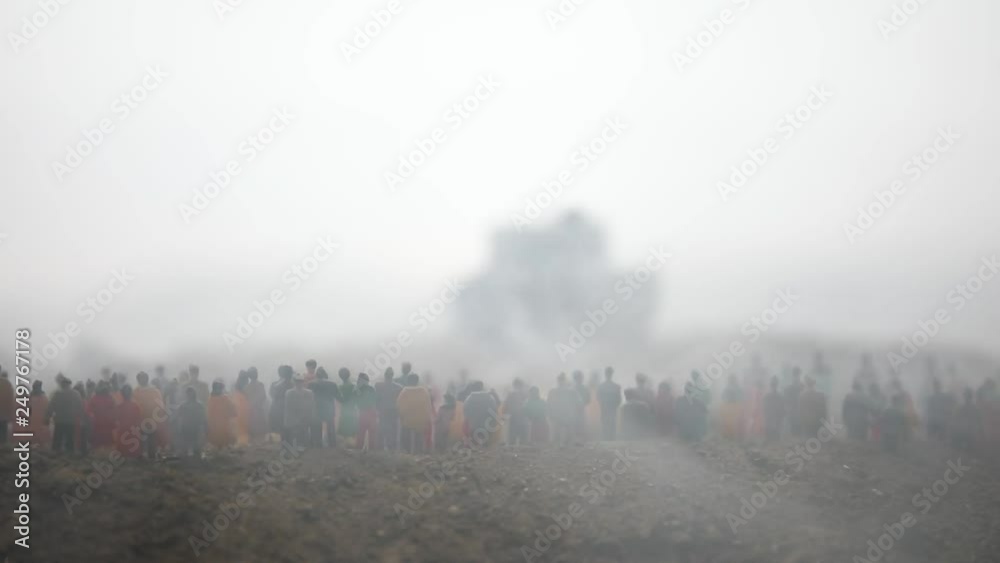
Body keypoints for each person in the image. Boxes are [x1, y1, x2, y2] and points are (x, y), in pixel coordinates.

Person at [133, 371, 167, 458]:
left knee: (151, 440)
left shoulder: (154, 391)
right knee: (140, 440)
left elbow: (160, 406)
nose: (142, 380)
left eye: (144, 378)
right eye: (140, 378)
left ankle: (151, 457)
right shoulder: (135, 392)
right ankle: (143, 457)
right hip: (141, 420)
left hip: (151, 420)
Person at [46, 375, 83, 453]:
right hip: (71, 421)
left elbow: (51, 407)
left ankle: (55, 456)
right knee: (70, 441)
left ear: (62, 385)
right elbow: (80, 407)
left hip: (59, 421)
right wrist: (80, 418)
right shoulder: (76, 394)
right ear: (69, 384)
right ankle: (70, 456)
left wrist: (47, 417)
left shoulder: (57, 394)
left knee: (57, 441)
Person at [397, 373, 433, 454]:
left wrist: (402, 418)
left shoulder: (404, 392)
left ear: (408, 381)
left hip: (407, 421)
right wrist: (426, 419)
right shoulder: (424, 391)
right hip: (420, 421)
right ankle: (418, 454)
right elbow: (428, 407)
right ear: (417, 381)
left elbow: (399, 407)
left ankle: (406, 453)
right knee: (419, 439)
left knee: (405, 437)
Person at [547, 373, 582, 446]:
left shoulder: (571, 392)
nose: (561, 382)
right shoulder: (554, 392)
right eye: (560, 380)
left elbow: (578, 403)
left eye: (562, 380)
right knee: (561, 434)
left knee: (565, 433)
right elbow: (549, 404)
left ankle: (564, 445)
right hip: (561, 416)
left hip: (565, 416)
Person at [309, 367, 340, 448]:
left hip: (317, 408)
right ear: (325, 375)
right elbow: (338, 396)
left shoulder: (311, 384)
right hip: (329, 408)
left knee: (317, 428)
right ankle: (332, 445)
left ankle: (317, 445)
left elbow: (309, 397)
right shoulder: (332, 384)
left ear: (316, 375)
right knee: (330, 428)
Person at [374, 367, 403, 451]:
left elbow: (376, 399)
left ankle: (380, 449)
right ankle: (392, 449)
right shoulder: (399, 387)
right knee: (393, 431)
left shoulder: (378, 385)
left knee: (382, 430)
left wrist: (377, 408)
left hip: (382, 410)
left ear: (385, 375)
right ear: (392, 375)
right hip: (394, 411)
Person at [464, 381, 499, 447]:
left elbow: (466, 414)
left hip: (473, 427)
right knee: (485, 448)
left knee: (473, 447)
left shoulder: (469, 399)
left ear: (473, 388)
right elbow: (494, 412)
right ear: (482, 387)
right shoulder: (490, 398)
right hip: (487, 427)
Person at [284, 374, 315, 448]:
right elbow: (288, 407)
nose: (299, 383)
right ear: (294, 382)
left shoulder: (290, 392)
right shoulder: (290, 392)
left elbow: (311, 405)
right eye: (298, 381)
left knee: (302, 434)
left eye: (300, 381)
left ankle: (302, 449)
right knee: (297, 434)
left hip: (302, 417)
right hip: (296, 418)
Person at [175, 387, 208, 457]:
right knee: (190, 446)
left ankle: (192, 459)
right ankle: (192, 459)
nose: (190, 395)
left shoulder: (184, 405)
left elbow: (178, 416)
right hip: (190, 427)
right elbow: (203, 417)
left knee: (191, 446)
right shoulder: (198, 405)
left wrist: (204, 427)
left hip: (191, 427)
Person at [115, 385, 144, 458]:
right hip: (133, 432)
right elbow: (139, 419)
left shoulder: (119, 407)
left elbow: (116, 419)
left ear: (122, 394)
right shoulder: (135, 406)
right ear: (131, 394)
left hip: (123, 432)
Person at [207, 381, 237, 450]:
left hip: (215, 428)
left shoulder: (210, 399)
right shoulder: (225, 398)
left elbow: (208, 415)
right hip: (224, 427)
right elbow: (233, 411)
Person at [87, 381, 116, 449]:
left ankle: (104, 455)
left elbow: (114, 409)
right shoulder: (95, 397)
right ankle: (100, 455)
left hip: (105, 423)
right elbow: (89, 409)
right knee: (99, 441)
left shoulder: (109, 397)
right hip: (99, 423)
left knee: (105, 441)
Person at [269, 366, 294, 442]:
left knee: (281, 432)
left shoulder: (274, 384)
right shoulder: (292, 384)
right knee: (288, 432)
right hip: (288, 411)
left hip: (276, 410)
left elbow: (272, 395)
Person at [597, 367, 622, 440]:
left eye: (609, 373)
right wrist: (614, 405)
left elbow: (599, 398)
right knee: (610, 423)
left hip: (606, 408)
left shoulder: (601, 386)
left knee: (607, 423)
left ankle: (608, 438)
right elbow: (619, 399)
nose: (609, 374)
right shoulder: (616, 386)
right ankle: (610, 438)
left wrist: (604, 404)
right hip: (610, 408)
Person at [245, 367, 269, 444]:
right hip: (257, 411)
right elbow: (263, 397)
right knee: (259, 432)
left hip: (252, 411)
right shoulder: (260, 385)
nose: (256, 374)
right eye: (255, 373)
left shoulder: (247, 387)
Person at [355, 373, 377, 450]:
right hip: (372, 413)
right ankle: (372, 451)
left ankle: (358, 450)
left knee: (361, 433)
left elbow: (356, 402)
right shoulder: (371, 389)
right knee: (372, 435)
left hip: (362, 413)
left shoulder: (357, 389)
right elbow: (375, 401)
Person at [336, 368, 359, 443]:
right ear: (349, 375)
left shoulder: (339, 387)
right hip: (352, 412)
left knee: (344, 434)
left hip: (344, 413)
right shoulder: (354, 387)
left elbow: (339, 401)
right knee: (353, 433)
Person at [719, 375, 744, 440]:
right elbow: (723, 396)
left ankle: (734, 435)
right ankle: (728, 435)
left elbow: (741, 396)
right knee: (727, 421)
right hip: (728, 405)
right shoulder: (727, 388)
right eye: (731, 379)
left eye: (733, 379)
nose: (732, 381)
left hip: (735, 405)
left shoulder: (737, 388)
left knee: (735, 421)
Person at [503, 379, 528, 445]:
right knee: (522, 438)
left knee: (513, 437)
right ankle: (521, 450)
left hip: (514, 417)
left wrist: (506, 413)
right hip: (522, 417)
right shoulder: (524, 394)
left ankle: (512, 449)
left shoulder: (511, 394)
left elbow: (506, 406)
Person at [27, 381, 51, 447]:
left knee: (35, 434)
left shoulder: (31, 397)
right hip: (38, 420)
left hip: (34, 420)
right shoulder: (44, 397)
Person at [762, 376, 785, 442]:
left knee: (770, 432)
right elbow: (782, 409)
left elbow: (764, 408)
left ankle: (771, 441)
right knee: (776, 433)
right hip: (776, 418)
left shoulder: (767, 396)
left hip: (771, 418)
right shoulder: (780, 396)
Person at [783, 368, 804, 435]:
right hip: (795, 409)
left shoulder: (800, 385)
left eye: (798, 375)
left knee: (795, 427)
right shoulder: (800, 386)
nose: (797, 377)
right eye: (797, 375)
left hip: (796, 409)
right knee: (795, 427)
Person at [232, 371, 251, 446]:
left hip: (240, 414)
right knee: (241, 431)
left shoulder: (238, 387)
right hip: (241, 414)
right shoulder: (240, 390)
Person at [572, 370, 590, 441]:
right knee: (576, 425)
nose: (580, 379)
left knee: (581, 424)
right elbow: (588, 399)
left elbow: (588, 399)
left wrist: (582, 404)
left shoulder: (583, 388)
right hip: (575, 410)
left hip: (580, 410)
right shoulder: (573, 389)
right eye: (578, 378)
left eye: (580, 378)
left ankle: (580, 440)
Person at [0, 371, 14, 444]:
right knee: (3, 430)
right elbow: (11, 400)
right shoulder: (8, 384)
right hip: (4, 413)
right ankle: (2, 445)